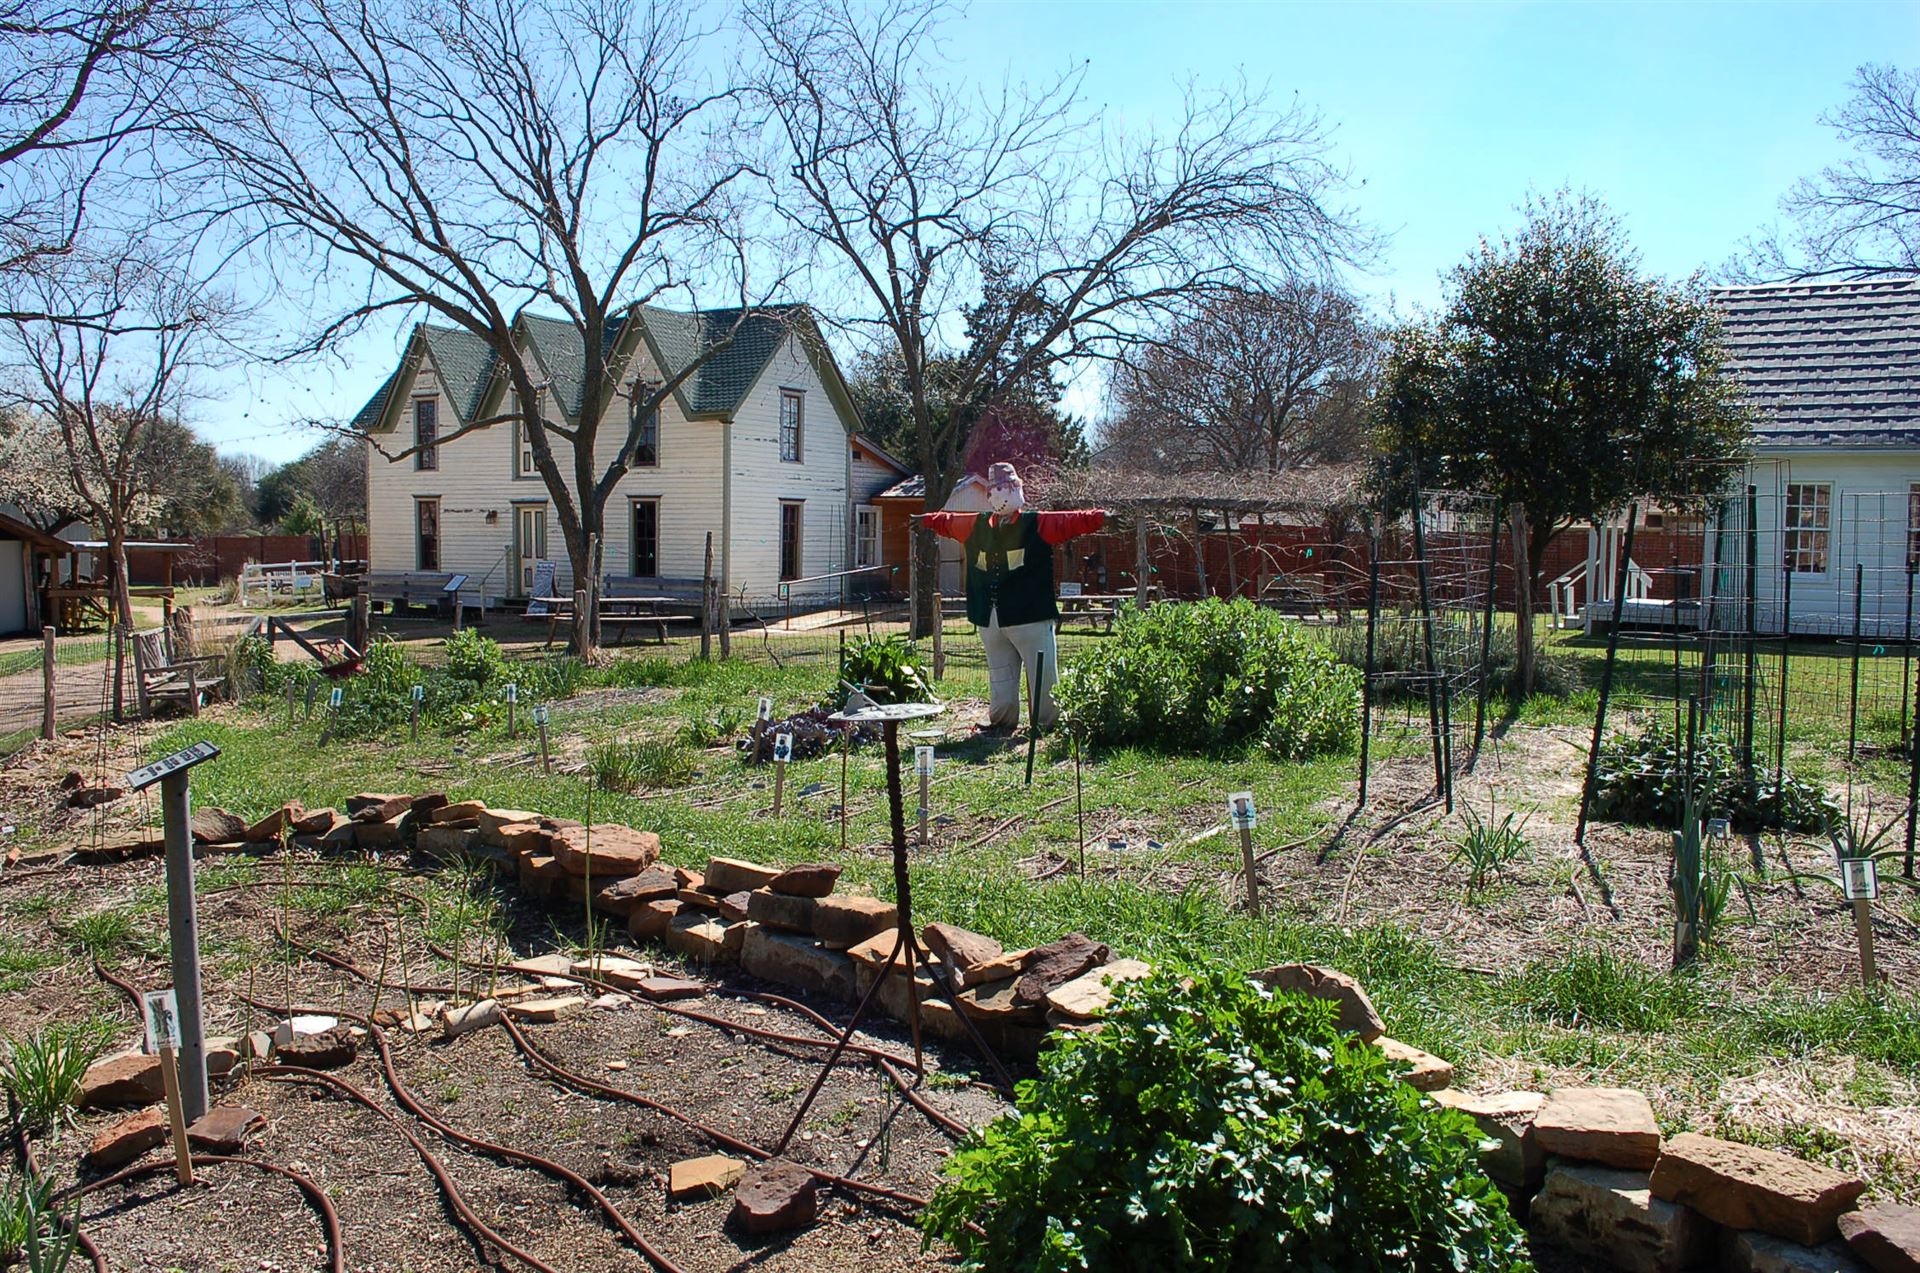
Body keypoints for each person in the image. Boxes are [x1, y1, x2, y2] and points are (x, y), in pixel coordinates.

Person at [921, 462, 1106, 732]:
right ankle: (1009, 720)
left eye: (1005, 487)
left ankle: (1038, 722)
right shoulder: (981, 524)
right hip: (997, 616)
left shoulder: (1032, 523)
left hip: (1023, 614)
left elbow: (1068, 520)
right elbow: (948, 522)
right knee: (1007, 673)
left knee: (1034, 673)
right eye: (995, 488)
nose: (999, 493)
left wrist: (1097, 517)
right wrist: (928, 520)